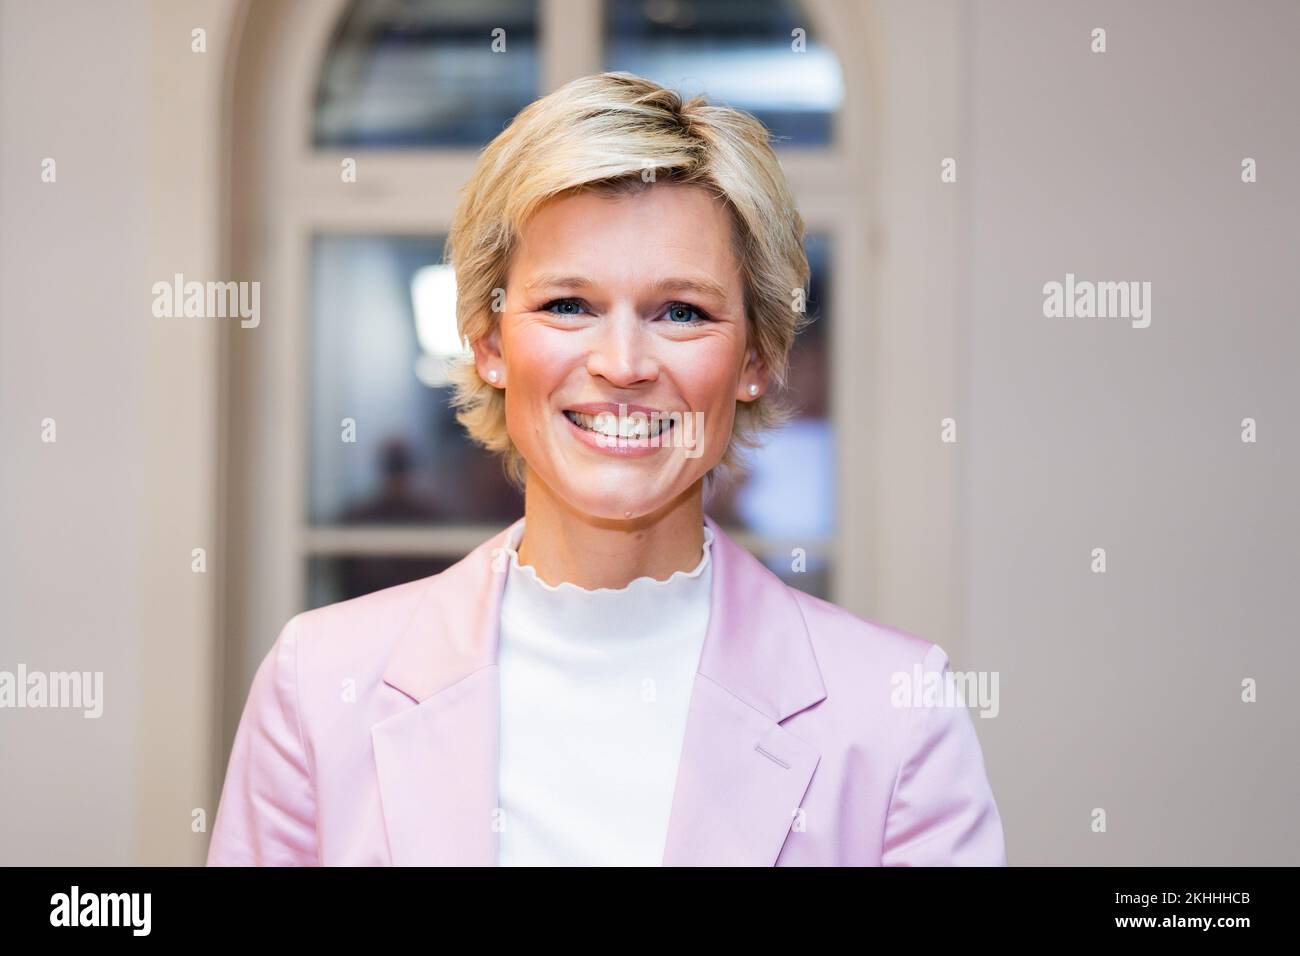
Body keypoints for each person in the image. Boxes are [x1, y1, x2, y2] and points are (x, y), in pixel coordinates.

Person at [207, 71, 1006, 866]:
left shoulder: (899, 715)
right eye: (568, 305)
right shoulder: (319, 684)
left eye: (681, 312)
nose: (622, 364)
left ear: (757, 356)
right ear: (488, 345)